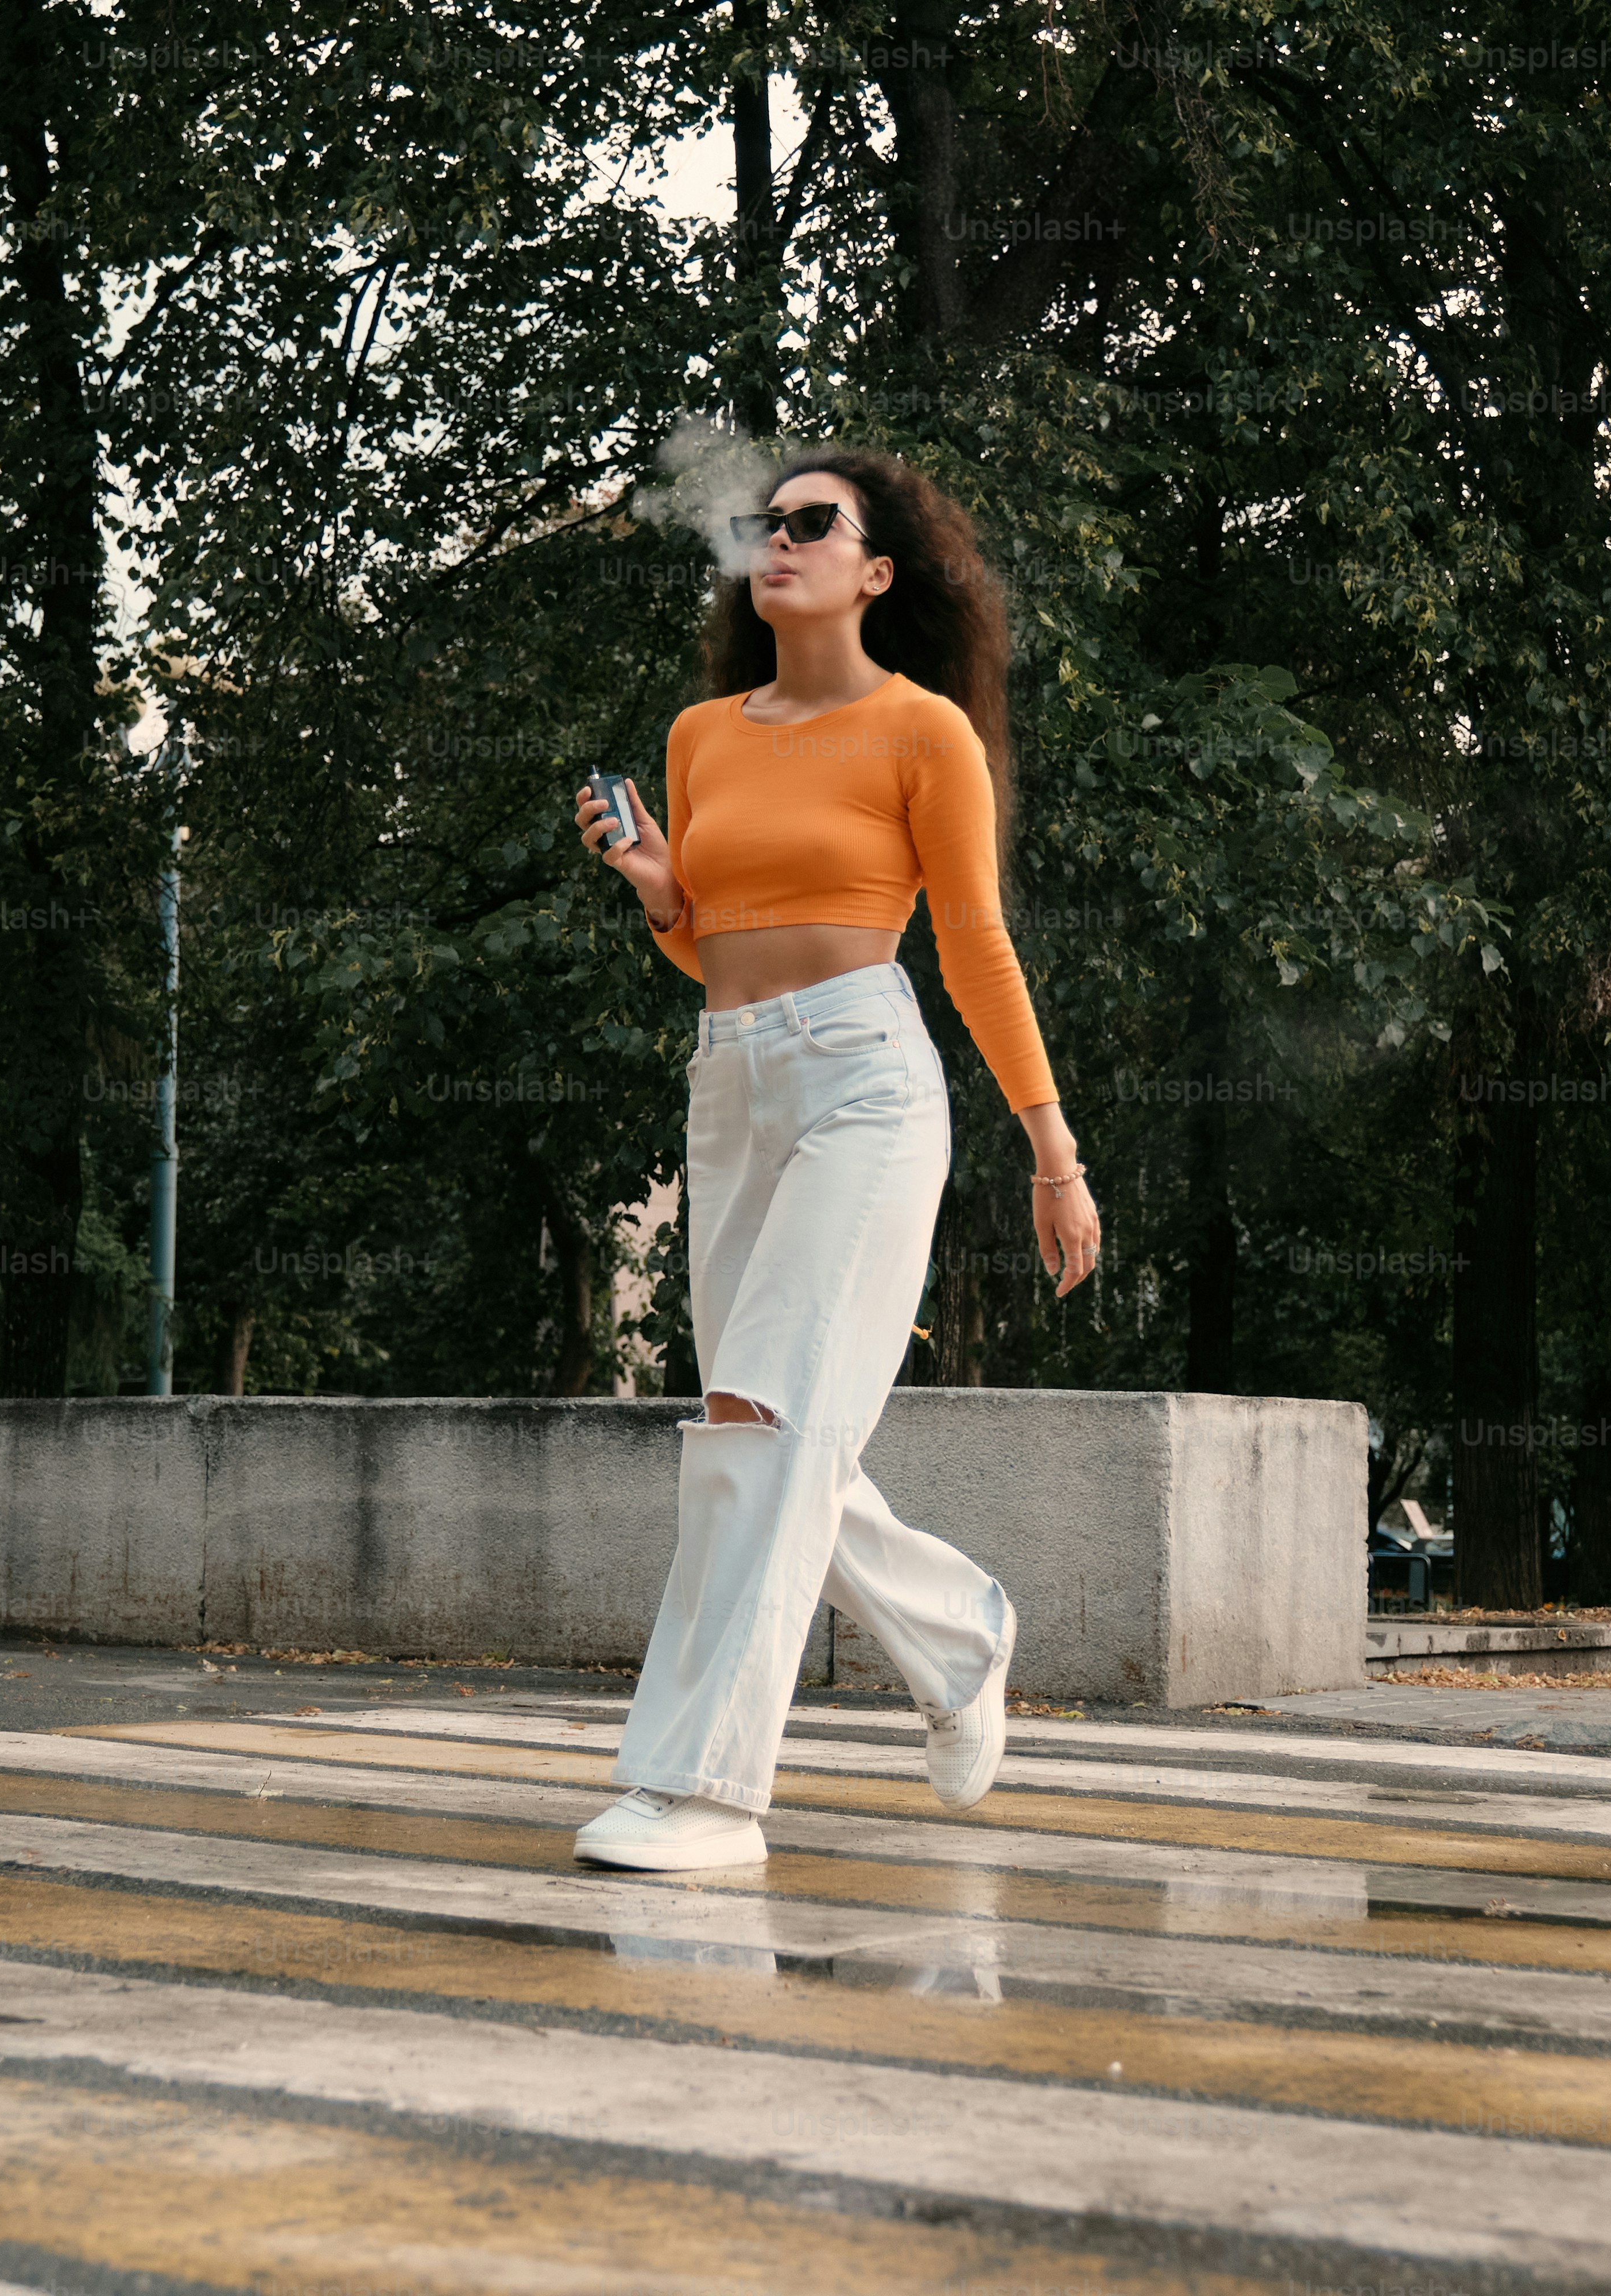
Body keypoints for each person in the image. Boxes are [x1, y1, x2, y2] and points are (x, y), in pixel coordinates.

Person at [567, 445, 1101, 1871]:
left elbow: (976, 946)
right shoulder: (702, 735)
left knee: (772, 1417)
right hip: (732, 1080)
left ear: (876, 572)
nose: (780, 539)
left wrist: (1052, 1149)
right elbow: (705, 945)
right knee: (761, 1427)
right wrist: (660, 889)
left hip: (867, 1078)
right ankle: (960, 1635)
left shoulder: (925, 732)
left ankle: (702, 1788)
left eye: (816, 522)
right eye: (765, 521)